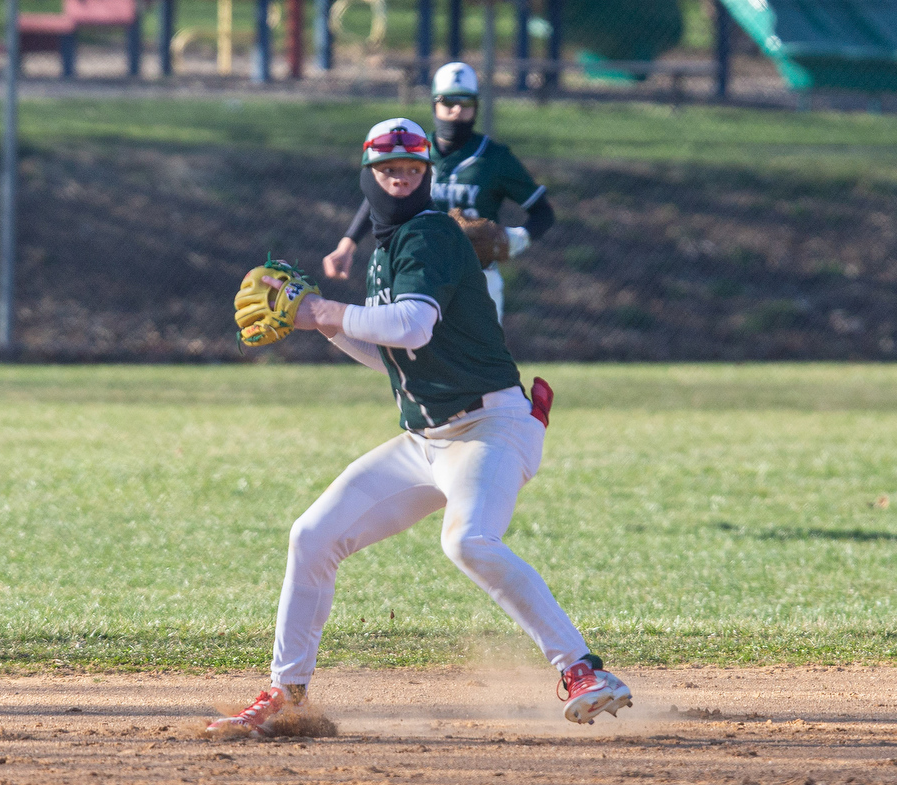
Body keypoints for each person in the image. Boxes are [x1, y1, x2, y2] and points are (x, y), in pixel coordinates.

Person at [206, 118, 630, 737]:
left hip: (491, 426)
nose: (400, 177)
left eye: (411, 167)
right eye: (387, 168)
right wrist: (326, 326)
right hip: (427, 441)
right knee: (313, 536)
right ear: (368, 175)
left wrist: (321, 308)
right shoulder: (388, 251)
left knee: (469, 542)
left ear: (427, 173)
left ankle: (584, 671)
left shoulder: (429, 234)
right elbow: (391, 354)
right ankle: (287, 692)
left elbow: (411, 328)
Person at [322, 61, 555, 322]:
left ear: (476, 106)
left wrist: (517, 238)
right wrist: (347, 245)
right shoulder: (414, 148)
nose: (456, 109)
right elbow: (380, 199)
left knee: (478, 359)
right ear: (434, 104)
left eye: (465, 102)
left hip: (476, 276)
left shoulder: (495, 158)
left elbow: (543, 212)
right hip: (416, 272)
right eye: (448, 100)